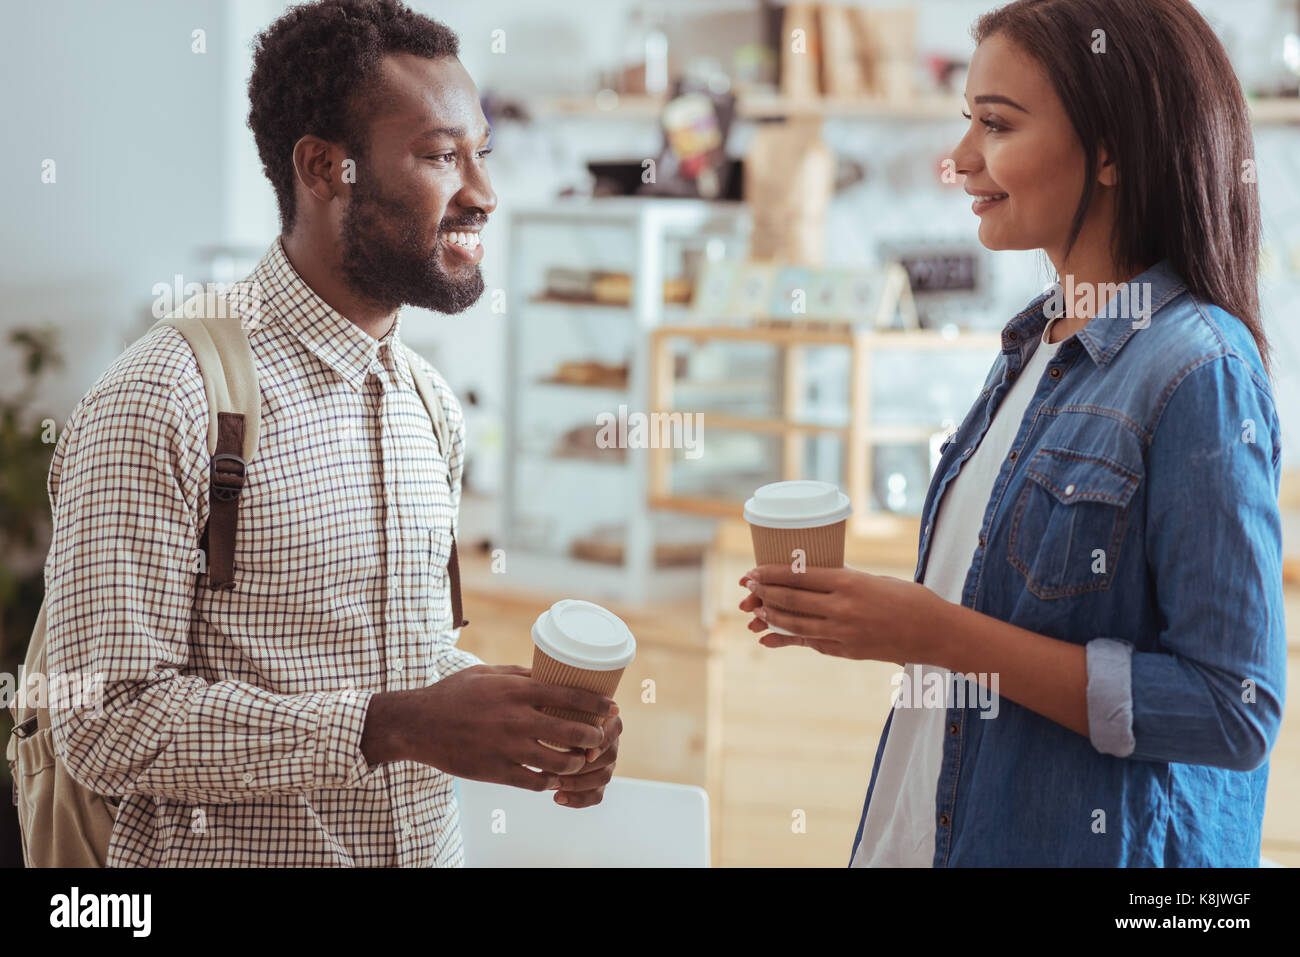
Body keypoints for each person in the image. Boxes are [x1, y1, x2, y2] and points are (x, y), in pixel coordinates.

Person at [44, 0, 621, 867]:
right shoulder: (165, 395)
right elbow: (103, 721)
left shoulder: (428, 402)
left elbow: (392, 652)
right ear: (323, 167)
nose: (484, 194)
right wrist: (388, 726)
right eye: (439, 155)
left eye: (482, 154)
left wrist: (516, 720)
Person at [739, 0, 1285, 867]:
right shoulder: (1035, 346)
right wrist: (872, 621)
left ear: (1111, 150)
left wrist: (933, 632)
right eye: (967, 123)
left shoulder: (1197, 369)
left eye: (995, 124)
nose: (958, 163)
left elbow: (1234, 707)